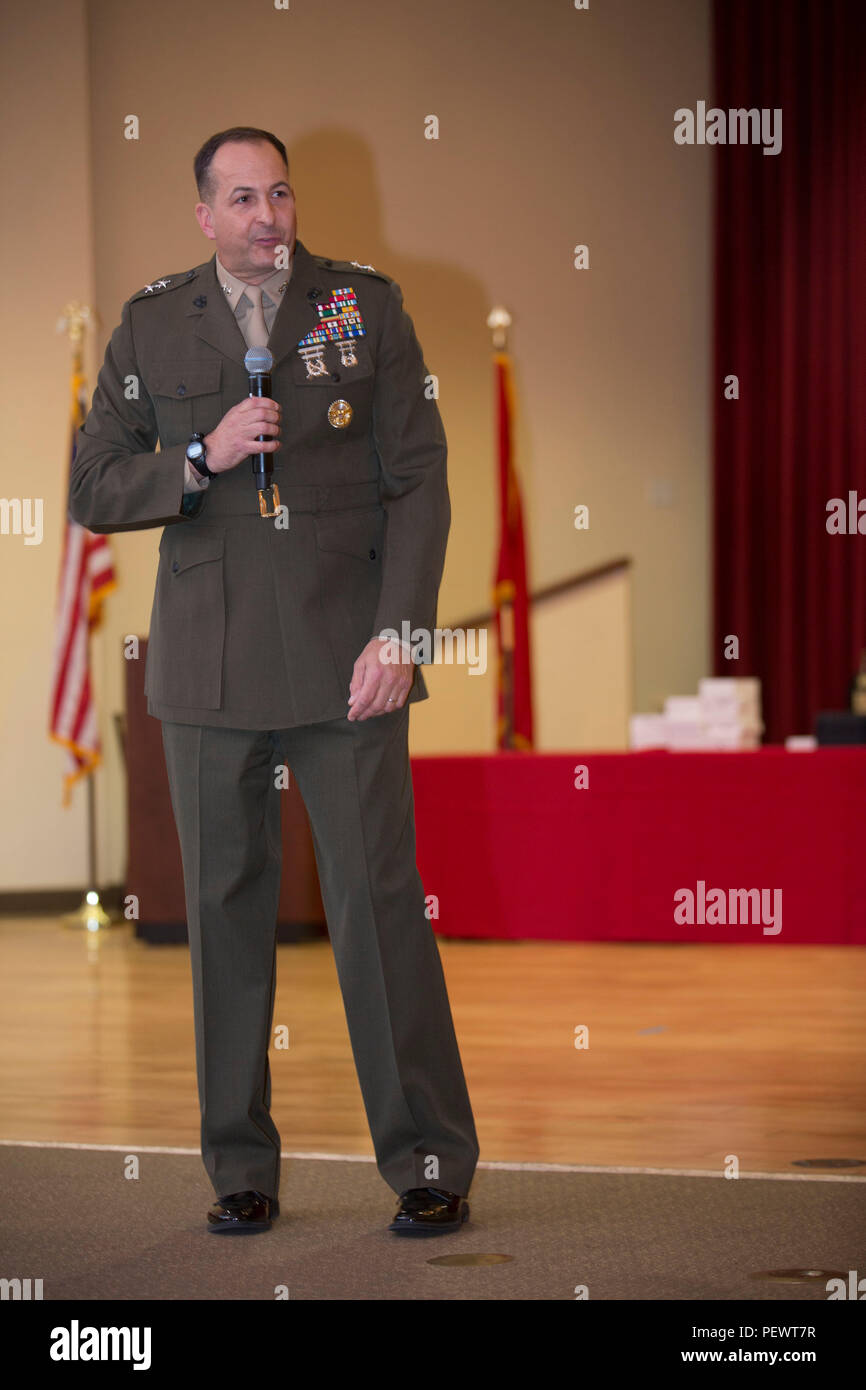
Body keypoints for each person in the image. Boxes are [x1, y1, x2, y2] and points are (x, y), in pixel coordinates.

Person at [69, 126, 479, 1236]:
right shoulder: (154, 323)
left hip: (349, 660)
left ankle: (427, 1158)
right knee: (223, 915)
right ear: (203, 214)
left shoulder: (363, 309)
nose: (266, 216)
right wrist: (198, 459)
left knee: (378, 910)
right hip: (205, 665)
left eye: (279, 193)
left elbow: (421, 482)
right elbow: (94, 486)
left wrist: (401, 634)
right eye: (241, 198)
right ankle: (238, 1165)